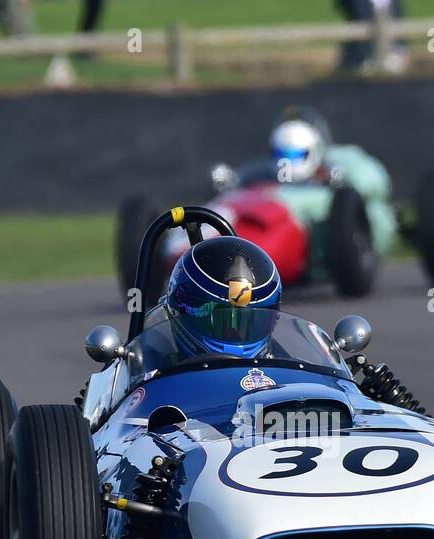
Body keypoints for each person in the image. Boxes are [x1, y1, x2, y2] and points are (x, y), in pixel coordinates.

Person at [266, 105, 399, 256]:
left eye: (296, 154)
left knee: (370, 211)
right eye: (283, 154)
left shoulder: (342, 161)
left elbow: (377, 184)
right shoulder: (266, 174)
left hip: (342, 241)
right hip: (276, 229)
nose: (288, 161)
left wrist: (339, 180)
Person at [162, 236, 282, 359]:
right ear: (178, 308)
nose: (233, 335)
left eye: (250, 323)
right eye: (220, 323)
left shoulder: (281, 367)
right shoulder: (153, 360)